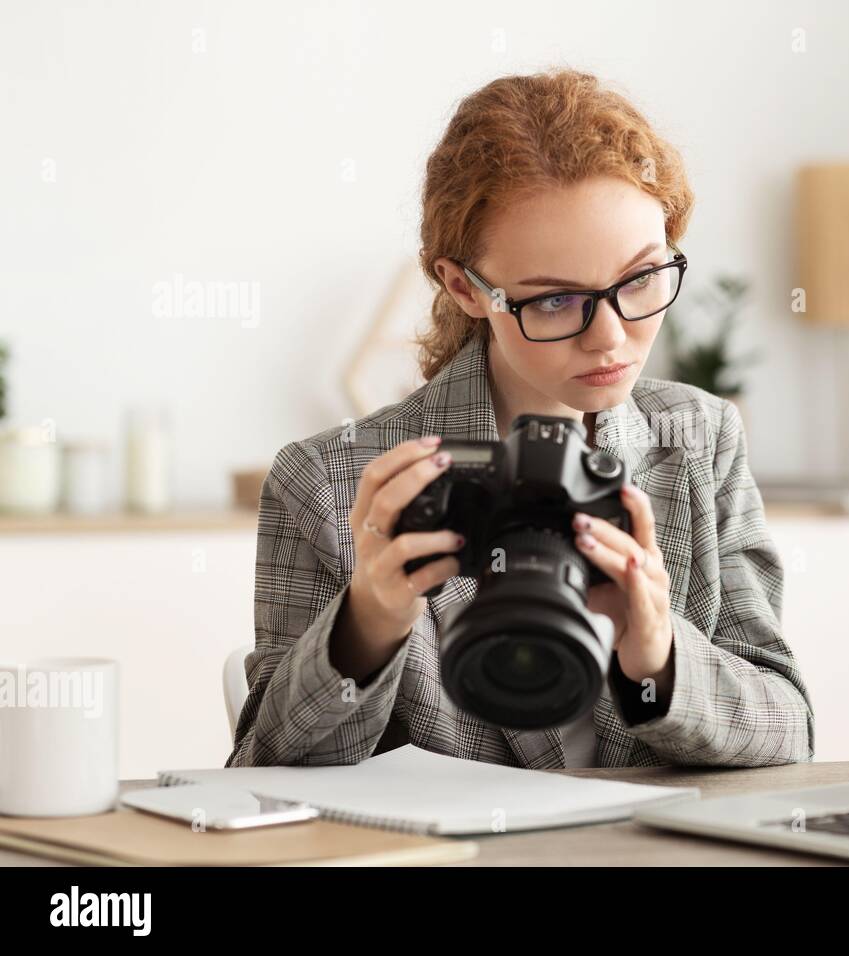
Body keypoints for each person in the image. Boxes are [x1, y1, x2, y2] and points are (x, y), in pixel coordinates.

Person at [227, 68, 813, 770]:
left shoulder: (699, 440)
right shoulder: (329, 481)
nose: (610, 336)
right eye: (555, 301)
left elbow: (789, 733)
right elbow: (262, 774)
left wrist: (657, 657)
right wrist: (365, 628)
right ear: (463, 288)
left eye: (641, 279)